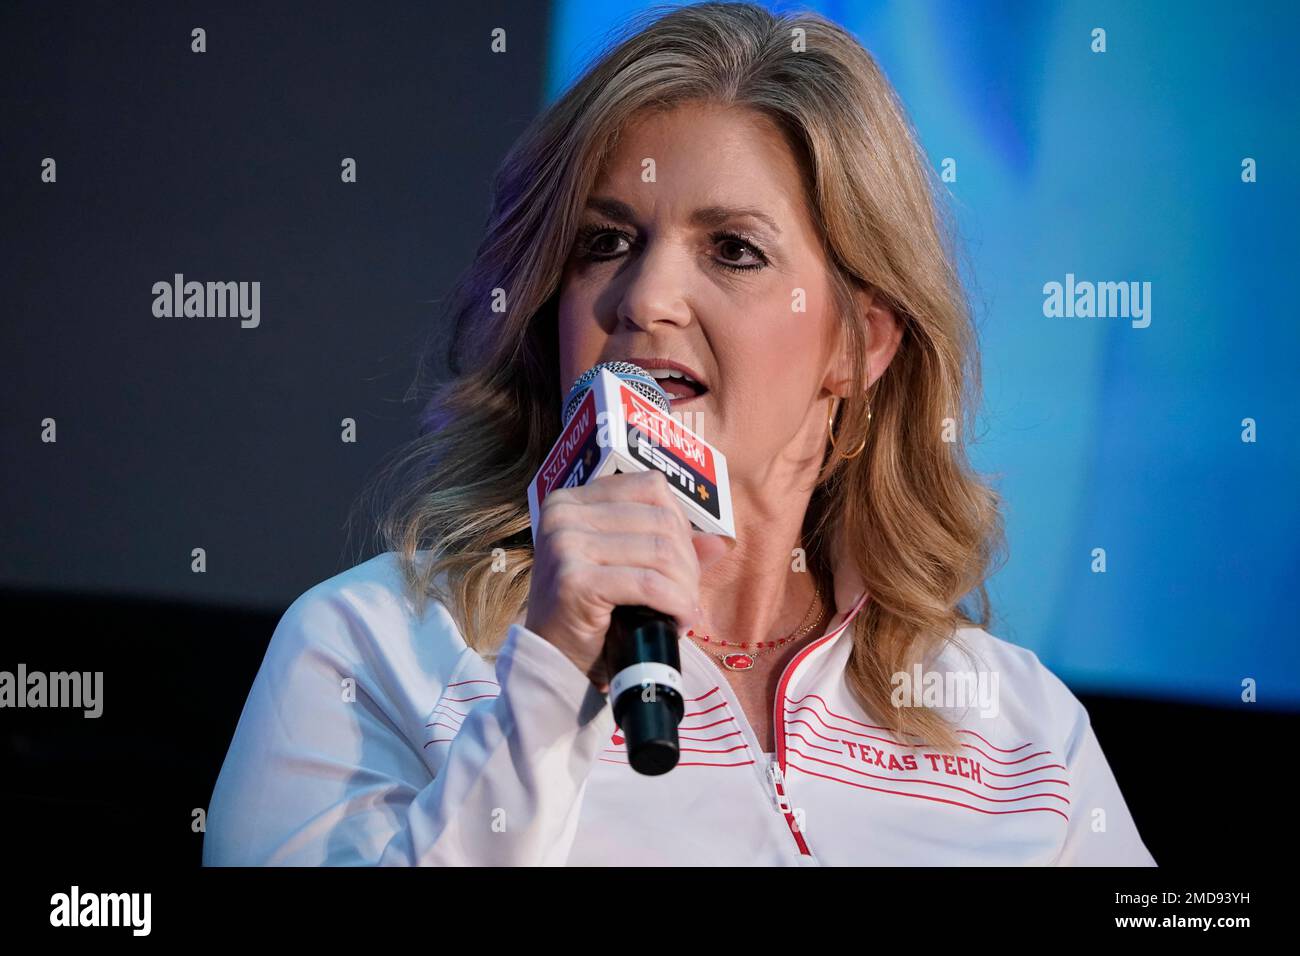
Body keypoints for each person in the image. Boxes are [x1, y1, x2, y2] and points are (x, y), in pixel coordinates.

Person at [203, 2, 1155, 866]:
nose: (644, 299)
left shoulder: (1022, 726)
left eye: (733, 251)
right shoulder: (369, 650)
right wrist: (547, 674)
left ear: (859, 345)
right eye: (604, 242)